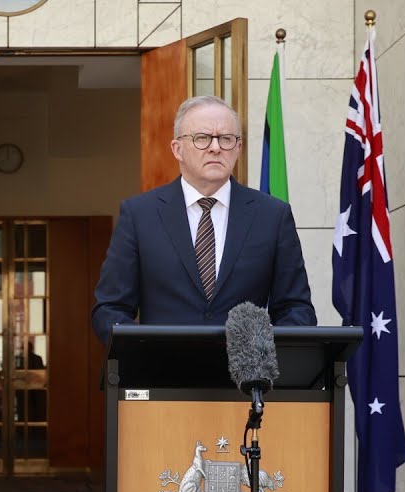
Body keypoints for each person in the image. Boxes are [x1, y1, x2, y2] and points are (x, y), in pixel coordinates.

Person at [92, 95, 316, 343]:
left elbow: (296, 309)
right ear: (177, 149)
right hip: (163, 366)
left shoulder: (272, 216)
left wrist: (267, 352)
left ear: (239, 148)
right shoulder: (139, 215)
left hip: (244, 367)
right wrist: (143, 353)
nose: (215, 147)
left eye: (226, 138)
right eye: (202, 138)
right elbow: (110, 309)